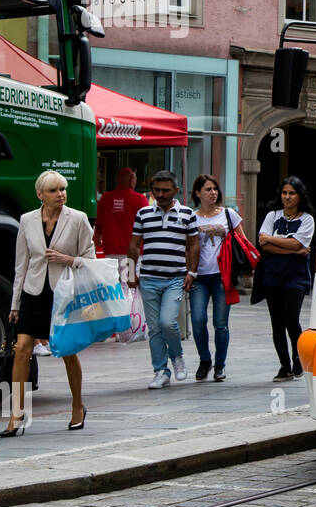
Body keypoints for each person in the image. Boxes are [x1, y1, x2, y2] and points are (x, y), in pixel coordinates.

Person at [2, 170, 96, 436]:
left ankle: (78, 406)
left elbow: (90, 260)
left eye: (63, 189)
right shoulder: (26, 220)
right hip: (33, 292)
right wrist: (15, 304)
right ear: (40, 195)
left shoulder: (78, 219)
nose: (61, 195)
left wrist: (67, 259)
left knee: (67, 351)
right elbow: (21, 265)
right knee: (21, 349)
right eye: (54, 191)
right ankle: (16, 415)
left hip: (63, 293)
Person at [127, 171, 199, 389]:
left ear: (176, 190)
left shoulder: (187, 214)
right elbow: (133, 245)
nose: (161, 194)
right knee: (154, 328)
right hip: (148, 277)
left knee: (168, 322)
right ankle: (160, 370)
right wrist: (131, 273)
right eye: (157, 190)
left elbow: (194, 244)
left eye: (166, 190)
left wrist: (192, 273)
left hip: (175, 278)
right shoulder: (143, 213)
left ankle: (177, 356)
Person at [258, 176, 316, 382]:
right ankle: (284, 365)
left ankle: (297, 357)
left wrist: (280, 244)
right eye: (284, 193)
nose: (287, 197)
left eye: (291, 193)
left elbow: (295, 243)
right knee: (277, 322)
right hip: (273, 275)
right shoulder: (272, 215)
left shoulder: (307, 219)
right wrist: (292, 247)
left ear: (299, 196)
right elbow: (263, 243)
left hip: (296, 277)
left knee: (291, 318)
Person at [189, 173, 239, 382]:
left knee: (221, 323)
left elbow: (241, 240)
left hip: (221, 275)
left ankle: (220, 365)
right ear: (197, 193)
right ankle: (204, 359)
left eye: (215, 189)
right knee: (198, 320)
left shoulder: (228, 214)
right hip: (198, 275)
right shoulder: (191, 216)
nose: (213, 193)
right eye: (208, 189)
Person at [95, 167, 147, 257]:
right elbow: (147, 224)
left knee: (113, 271)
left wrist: (97, 238)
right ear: (132, 181)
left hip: (110, 251)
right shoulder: (140, 199)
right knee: (130, 271)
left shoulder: (105, 198)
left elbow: (98, 222)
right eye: (135, 179)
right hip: (132, 253)